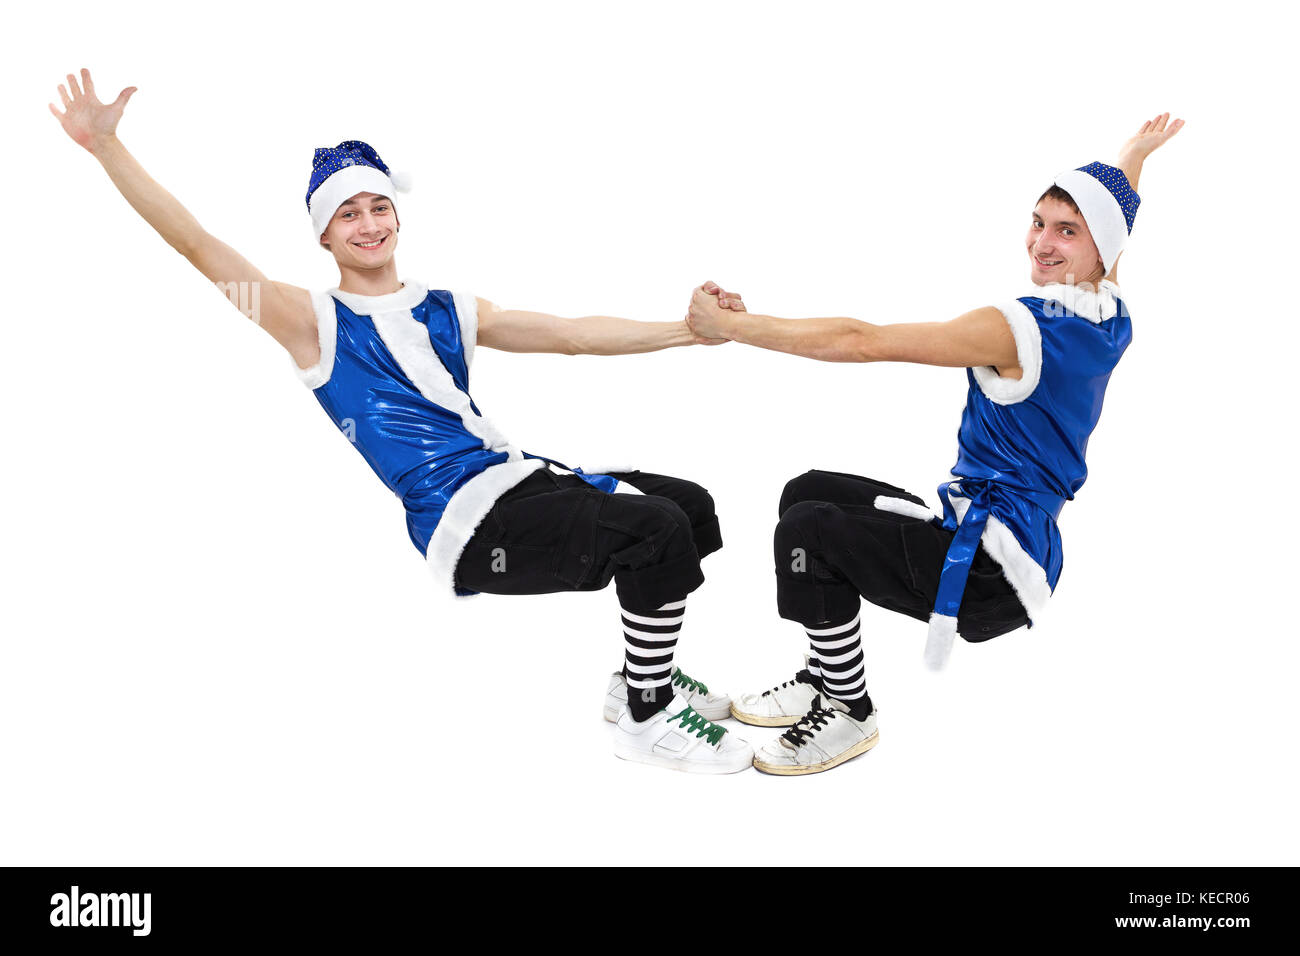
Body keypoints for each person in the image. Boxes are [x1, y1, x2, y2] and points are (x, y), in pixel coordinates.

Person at [49, 68, 754, 774]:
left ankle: (641, 678)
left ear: (397, 216)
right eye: (346, 214)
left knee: (687, 508)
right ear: (324, 236)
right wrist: (108, 148)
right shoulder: (310, 322)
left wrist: (691, 331)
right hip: (468, 526)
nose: (367, 224)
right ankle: (643, 718)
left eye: (376, 207)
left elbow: (569, 333)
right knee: (654, 529)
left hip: (516, 479)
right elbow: (199, 247)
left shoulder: (447, 307)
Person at [685, 113, 1184, 776]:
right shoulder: (1111, 312)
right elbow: (1114, 227)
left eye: (1067, 231)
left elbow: (861, 340)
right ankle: (823, 674)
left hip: (990, 572)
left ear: (1099, 246)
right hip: (1019, 545)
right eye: (1039, 221)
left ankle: (851, 713)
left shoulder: (1017, 328)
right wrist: (1132, 158)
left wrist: (734, 328)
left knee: (808, 529)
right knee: (809, 491)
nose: (1042, 242)